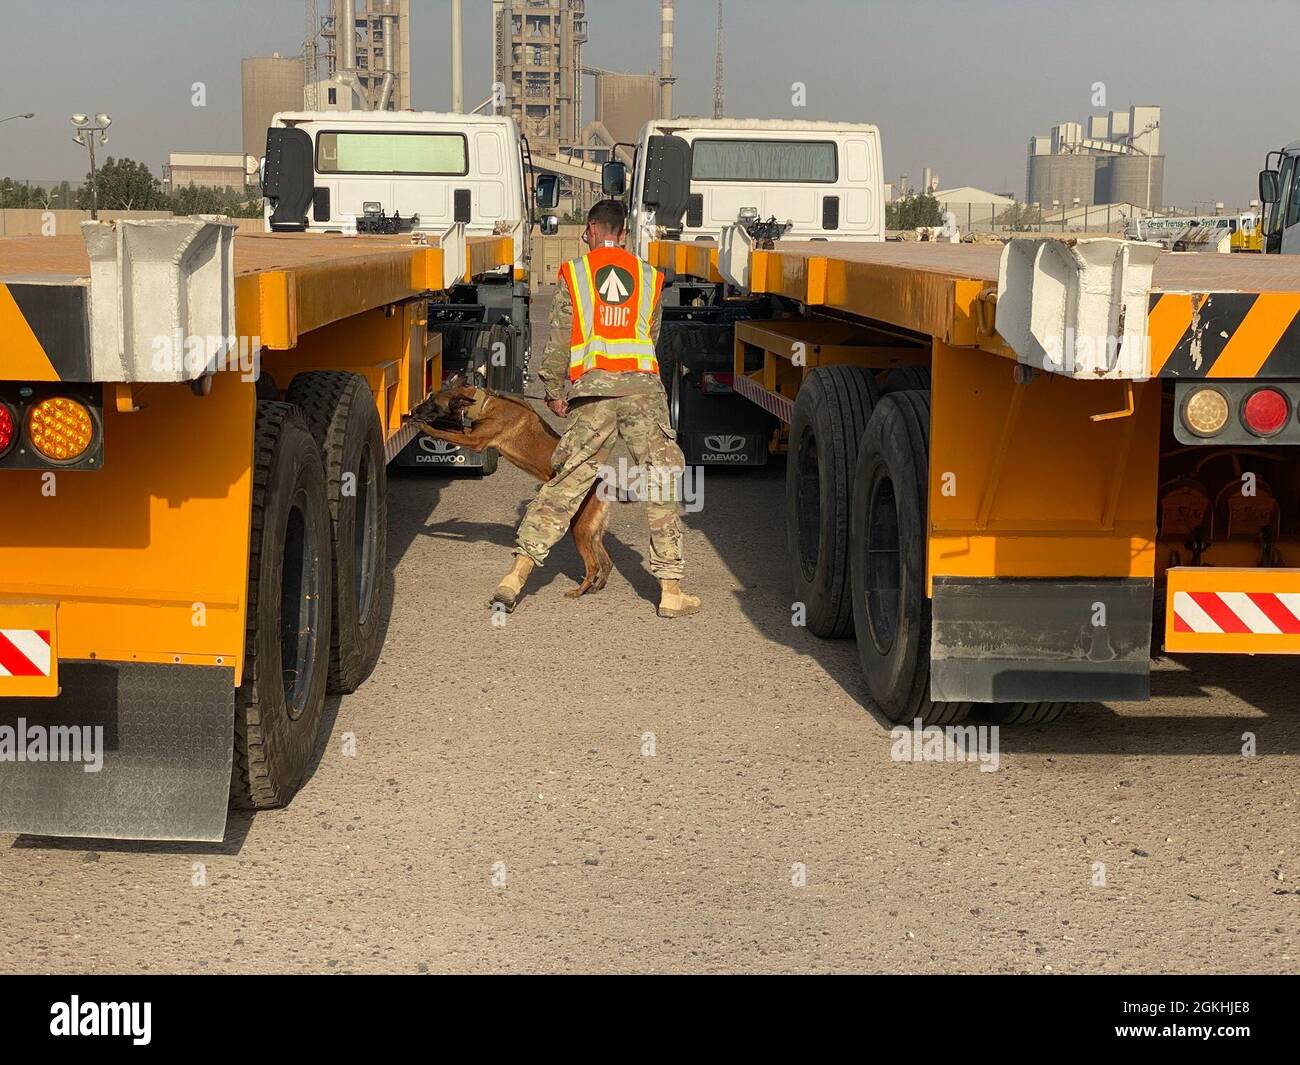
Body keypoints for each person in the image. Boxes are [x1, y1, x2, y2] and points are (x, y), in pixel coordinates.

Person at [492, 199, 701, 619]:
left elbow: (560, 338)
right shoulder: (649, 276)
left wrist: (555, 390)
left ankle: (515, 577)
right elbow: (651, 336)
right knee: (661, 483)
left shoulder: (575, 273)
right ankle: (671, 591)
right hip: (642, 391)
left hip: (593, 394)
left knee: (566, 483)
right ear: (623, 233)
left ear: (589, 230)